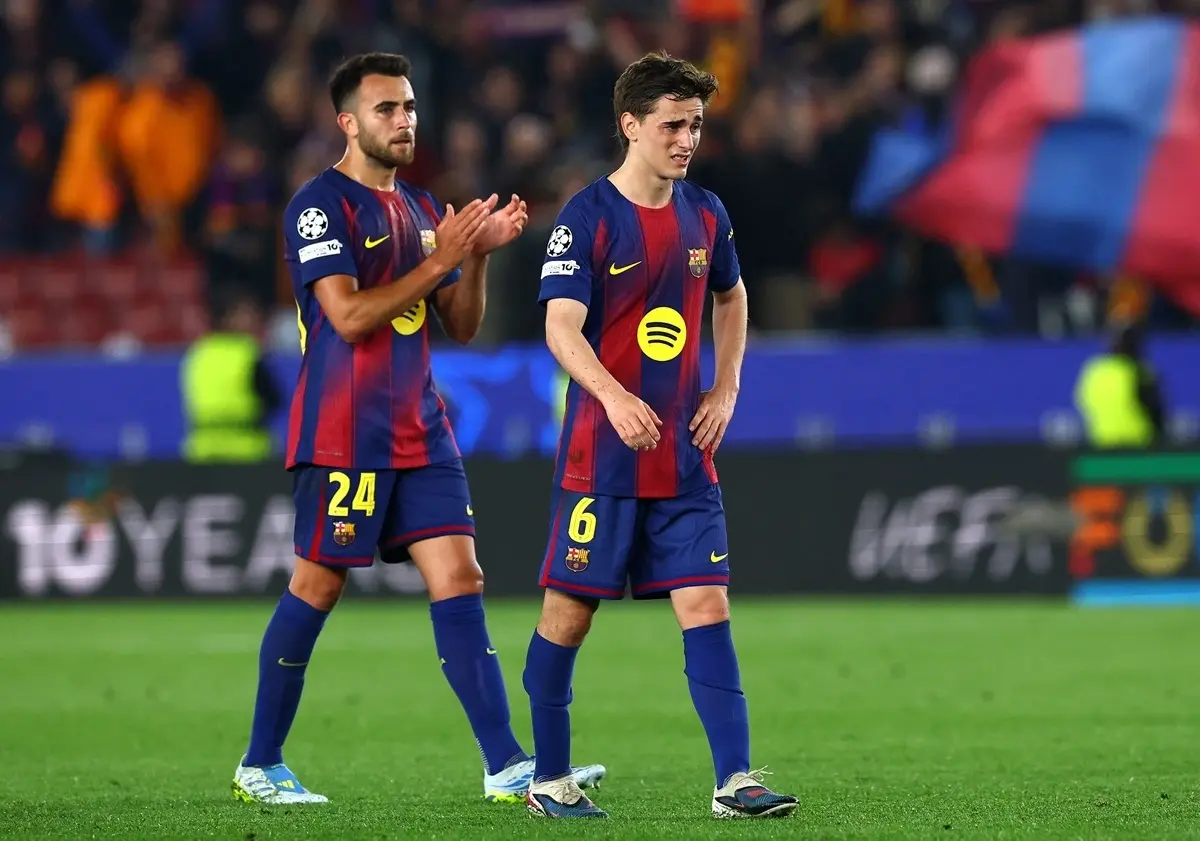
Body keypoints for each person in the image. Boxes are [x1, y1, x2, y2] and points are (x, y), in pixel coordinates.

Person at [231, 52, 604, 806]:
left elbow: (460, 326)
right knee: (317, 584)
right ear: (347, 122)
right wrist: (443, 260)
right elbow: (348, 316)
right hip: (345, 429)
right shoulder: (319, 206)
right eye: (386, 109)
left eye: (408, 107)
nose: (403, 121)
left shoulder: (424, 207)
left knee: (461, 577)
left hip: (421, 430)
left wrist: (478, 257)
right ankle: (260, 764)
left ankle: (505, 763)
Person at [522, 51, 799, 820]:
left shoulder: (706, 213)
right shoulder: (587, 217)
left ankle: (735, 779)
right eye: (673, 125)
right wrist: (613, 397)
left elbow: (732, 297)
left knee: (706, 602)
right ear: (630, 125)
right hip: (601, 459)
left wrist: (727, 385)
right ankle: (549, 779)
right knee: (567, 616)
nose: (687, 139)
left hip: (682, 457)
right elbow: (560, 326)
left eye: (696, 125)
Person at [180, 285, 280, 463]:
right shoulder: (248, 353)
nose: (252, 319)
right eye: (244, 314)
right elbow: (274, 399)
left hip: (203, 451)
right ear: (226, 318)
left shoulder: (198, 353)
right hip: (246, 451)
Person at [1075, 320, 1166, 449]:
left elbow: (1082, 401)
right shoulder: (1139, 371)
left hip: (1102, 443)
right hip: (1139, 443)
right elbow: (1156, 411)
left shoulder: (1094, 369)